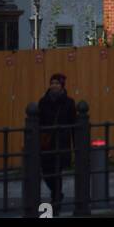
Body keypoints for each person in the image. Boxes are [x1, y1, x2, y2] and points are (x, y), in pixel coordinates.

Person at [38, 73, 77, 211]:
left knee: (57, 172)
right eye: (52, 83)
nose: (54, 85)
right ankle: (57, 194)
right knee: (47, 172)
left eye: (57, 83)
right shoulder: (43, 101)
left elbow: (73, 124)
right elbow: (39, 122)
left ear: (62, 86)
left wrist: (75, 146)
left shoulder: (69, 102)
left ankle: (55, 200)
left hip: (62, 143)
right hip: (47, 143)